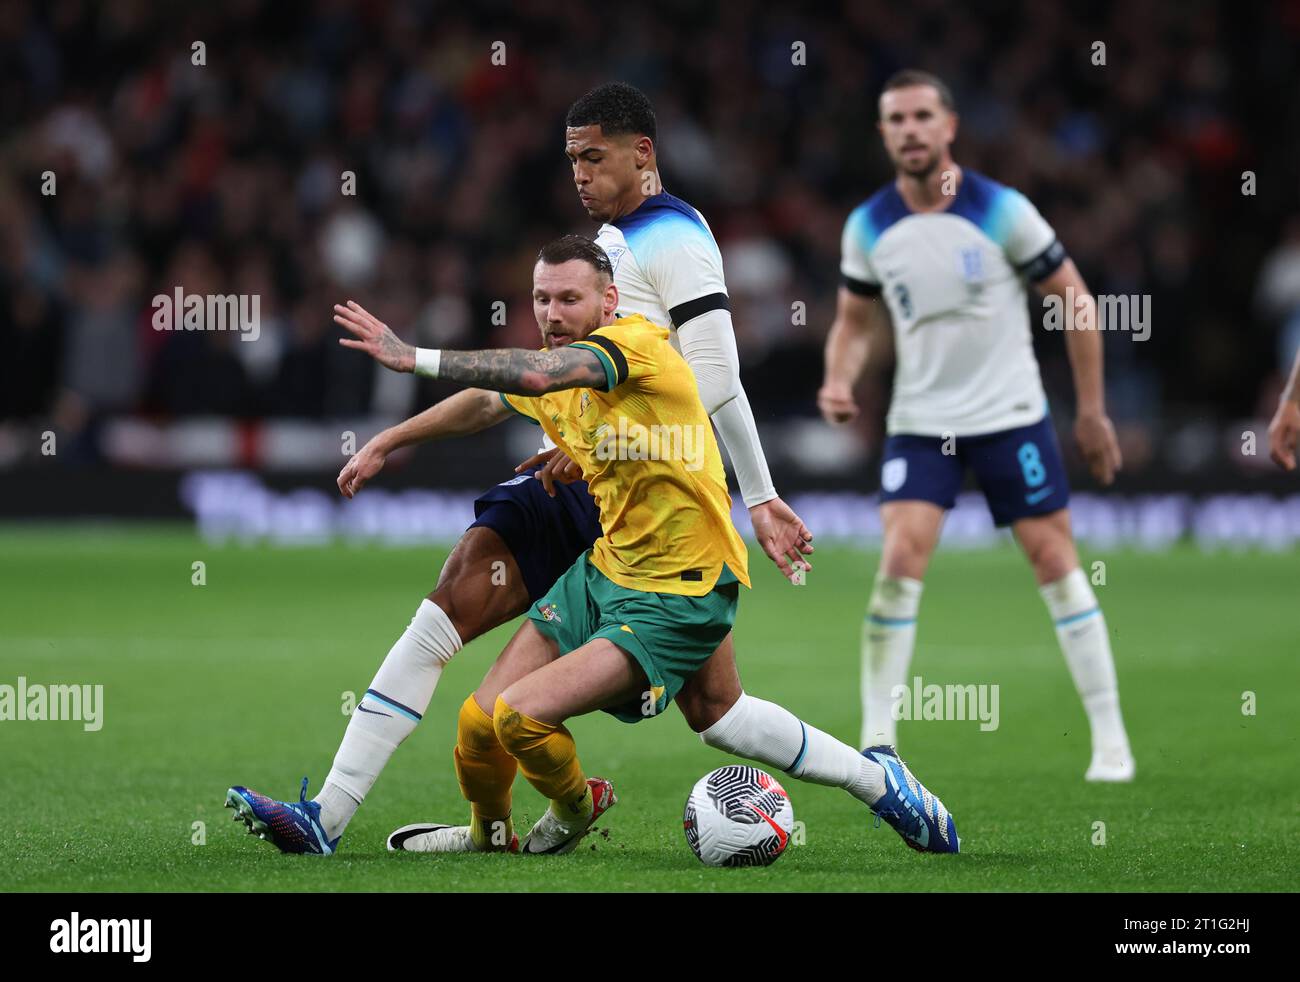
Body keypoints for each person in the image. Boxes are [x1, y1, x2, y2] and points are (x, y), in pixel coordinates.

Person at [224, 84, 835, 855]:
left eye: (592, 156)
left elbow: (712, 378)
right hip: (584, 476)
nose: (577, 173)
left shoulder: (673, 238)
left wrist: (752, 491)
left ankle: (872, 781)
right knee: (453, 599)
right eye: (571, 157)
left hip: (642, 494)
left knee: (716, 712)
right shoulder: (605, 246)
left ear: (641, 154)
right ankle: (330, 816)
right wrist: (397, 438)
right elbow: (535, 378)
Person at [318, 235, 955, 855]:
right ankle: (492, 837)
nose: (551, 313)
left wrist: (416, 357)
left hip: (680, 590)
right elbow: (490, 398)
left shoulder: (632, 347)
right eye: (541, 298)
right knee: (495, 726)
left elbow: (539, 377)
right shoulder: (556, 372)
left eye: (569, 298)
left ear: (609, 301)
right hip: (607, 572)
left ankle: (575, 810)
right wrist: (388, 440)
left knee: (520, 718)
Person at [818, 69, 1134, 781]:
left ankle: (1110, 739)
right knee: (899, 561)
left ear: (950, 126)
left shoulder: (1003, 211)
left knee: (1055, 562)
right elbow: (854, 322)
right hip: (920, 422)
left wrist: (1090, 410)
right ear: (883, 133)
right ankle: (879, 741)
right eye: (896, 119)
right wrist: (840, 377)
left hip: (1011, 417)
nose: (911, 130)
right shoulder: (868, 225)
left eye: (924, 116)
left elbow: (1077, 302)